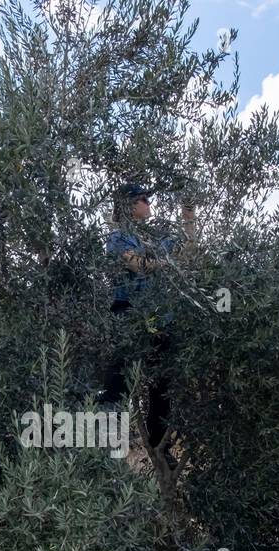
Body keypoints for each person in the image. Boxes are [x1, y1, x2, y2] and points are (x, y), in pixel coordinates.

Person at [102, 182, 195, 449]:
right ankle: (107, 449)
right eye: (143, 199)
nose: (148, 203)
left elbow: (188, 252)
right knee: (119, 382)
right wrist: (167, 264)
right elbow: (138, 265)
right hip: (128, 314)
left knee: (162, 384)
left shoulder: (152, 238)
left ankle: (159, 446)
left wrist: (189, 218)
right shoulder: (118, 237)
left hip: (157, 318)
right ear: (129, 206)